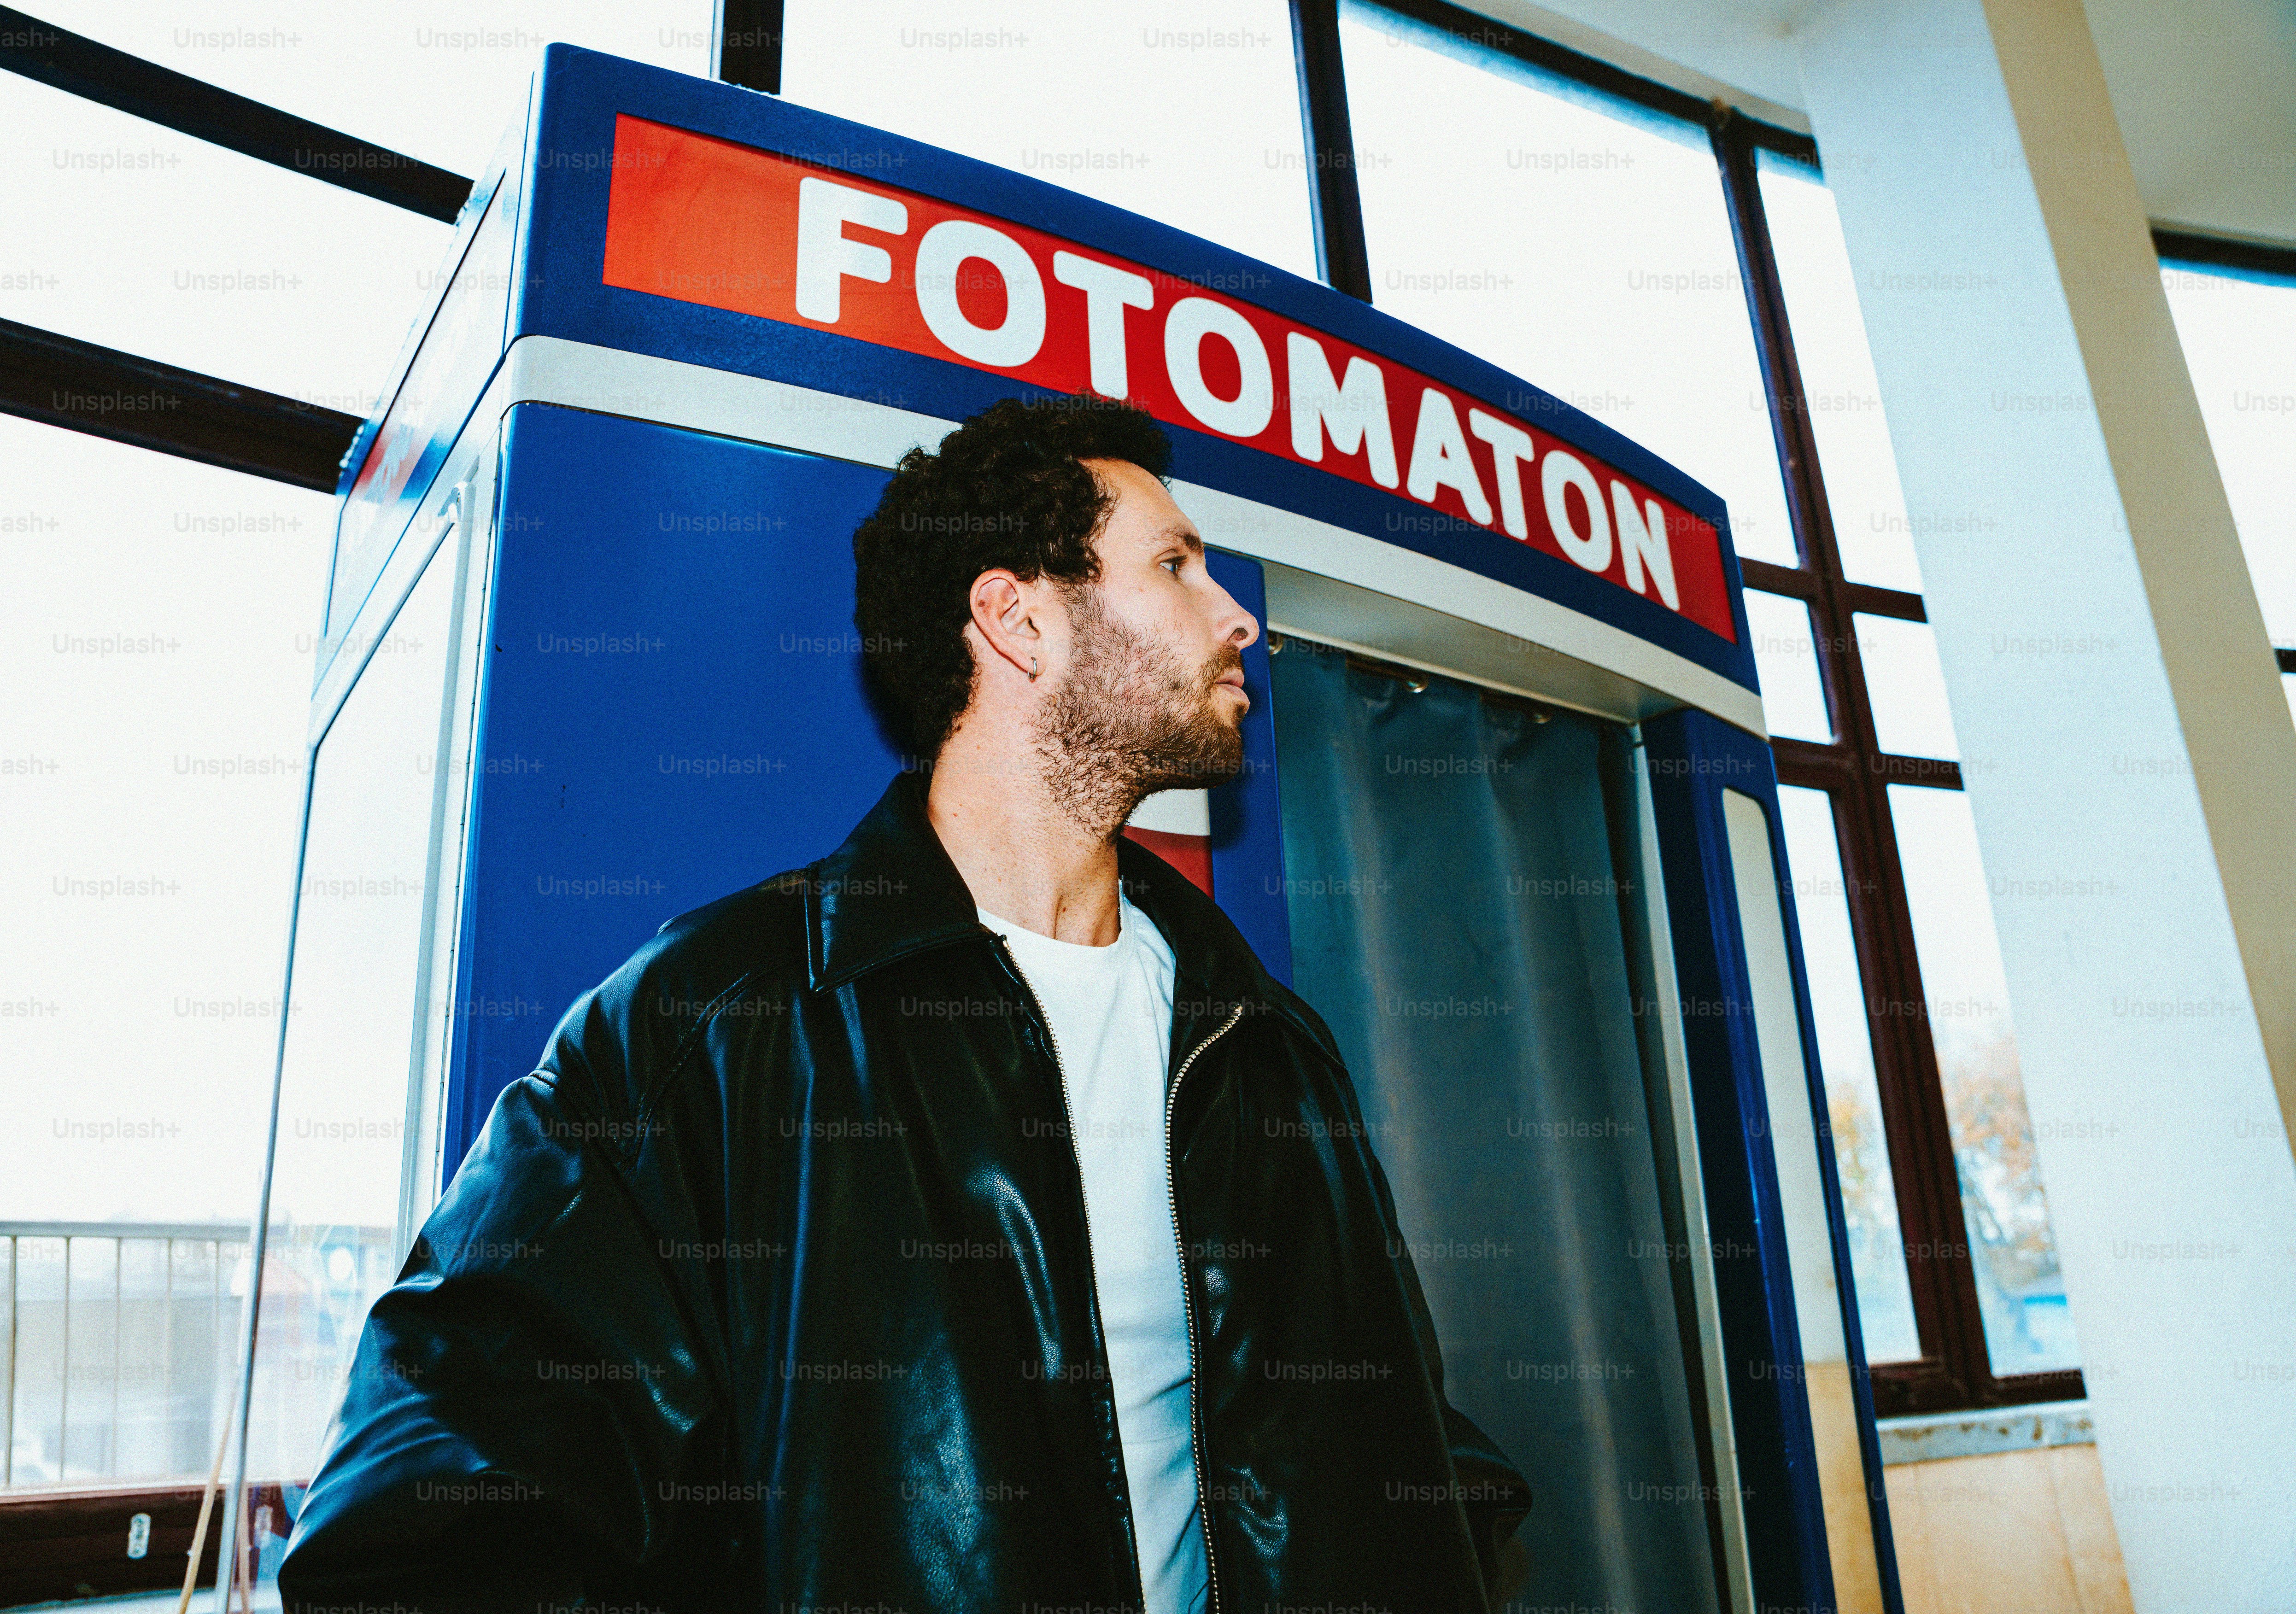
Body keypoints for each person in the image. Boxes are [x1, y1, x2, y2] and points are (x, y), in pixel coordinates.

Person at [277, 392, 1529, 1614]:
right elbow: (427, 1535)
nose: (1236, 617)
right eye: (1177, 565)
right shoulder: (711, 1032)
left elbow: (1412, 1450)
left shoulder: (1266, 1046)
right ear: (1018, 621)